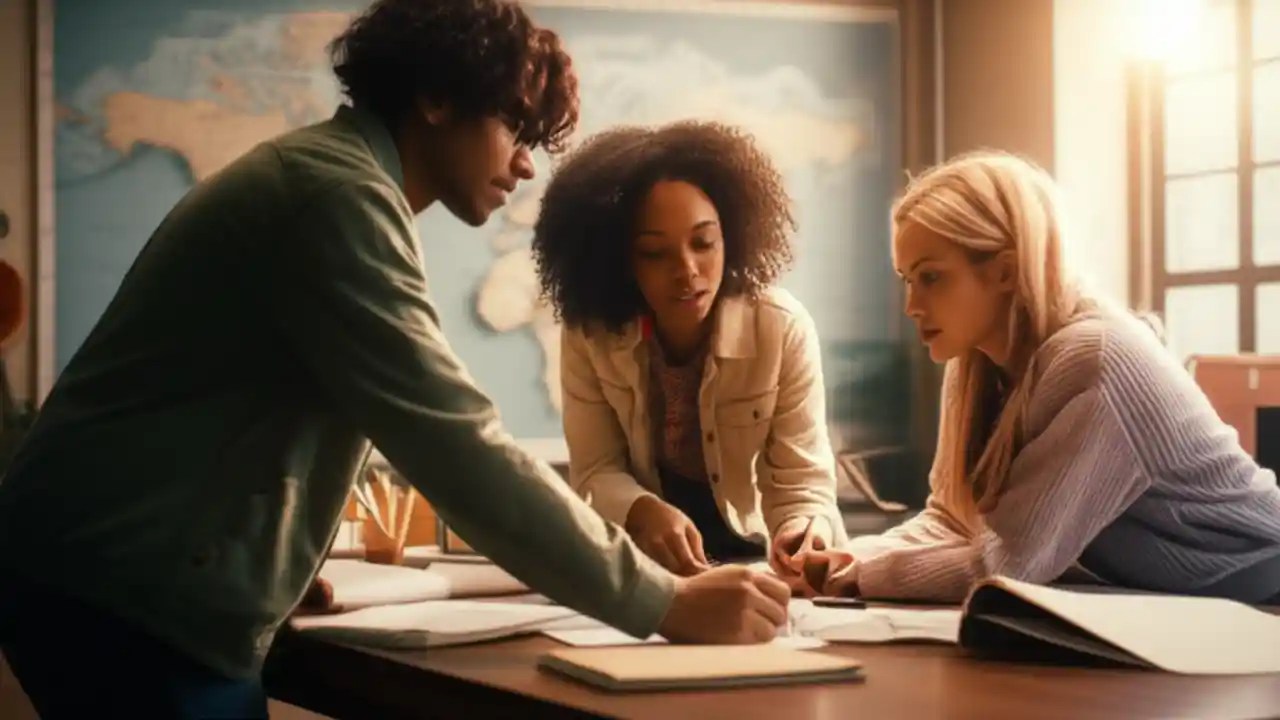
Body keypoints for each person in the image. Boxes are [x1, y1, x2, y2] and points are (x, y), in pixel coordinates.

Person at [0, 2, 789, 717]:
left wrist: (274, 557)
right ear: (437, 98)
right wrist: (664, 601)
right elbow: (454, 443)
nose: (525, 165)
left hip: (109, 581)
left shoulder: (326, 180)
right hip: (124, 600)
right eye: (514, 128)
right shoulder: (333, 199)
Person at [814, 150, 1280, 604]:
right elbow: (953, 520)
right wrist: (846, 560)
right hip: (1178, 607)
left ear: (1005, 271)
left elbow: (1009, 565)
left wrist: (863, 576)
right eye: (907, 279)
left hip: (1261, 601)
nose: (911, 306)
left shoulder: (1096, 360)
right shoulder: (973, 365)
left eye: (931, 277)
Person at [531, 122, 846, 590]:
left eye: (703, 243)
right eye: (654, 253)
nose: (686, 270)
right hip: (645, 573)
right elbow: (596, 470)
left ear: (731, 237)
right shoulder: (589, 335)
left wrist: (802, 533)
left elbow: (803, 481)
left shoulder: (781, 327)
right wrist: (642, 511)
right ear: (620, 259)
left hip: (757, 566)